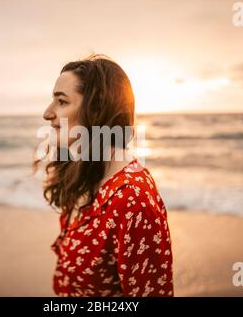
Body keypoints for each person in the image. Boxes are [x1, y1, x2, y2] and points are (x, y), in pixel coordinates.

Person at [35, 54, 173, 297]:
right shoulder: (84, 174)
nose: (47, 113)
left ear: (97, 109)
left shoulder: (132, 200)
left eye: (62, 102)